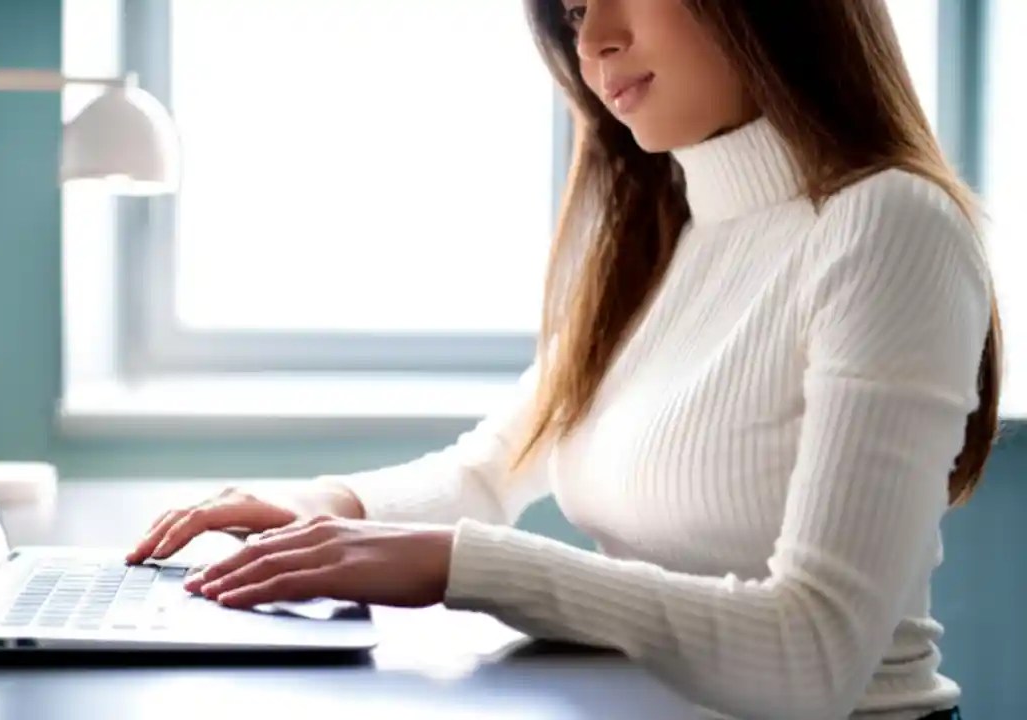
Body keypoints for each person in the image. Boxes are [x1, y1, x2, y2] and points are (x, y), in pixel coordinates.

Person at [127, 1, 1000, 718]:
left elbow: (814, 657)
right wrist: (316, 508)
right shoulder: (663, 238)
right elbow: (490, 467)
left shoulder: (890, 226)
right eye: (575, 10)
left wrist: (461, 566)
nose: (594, 41)